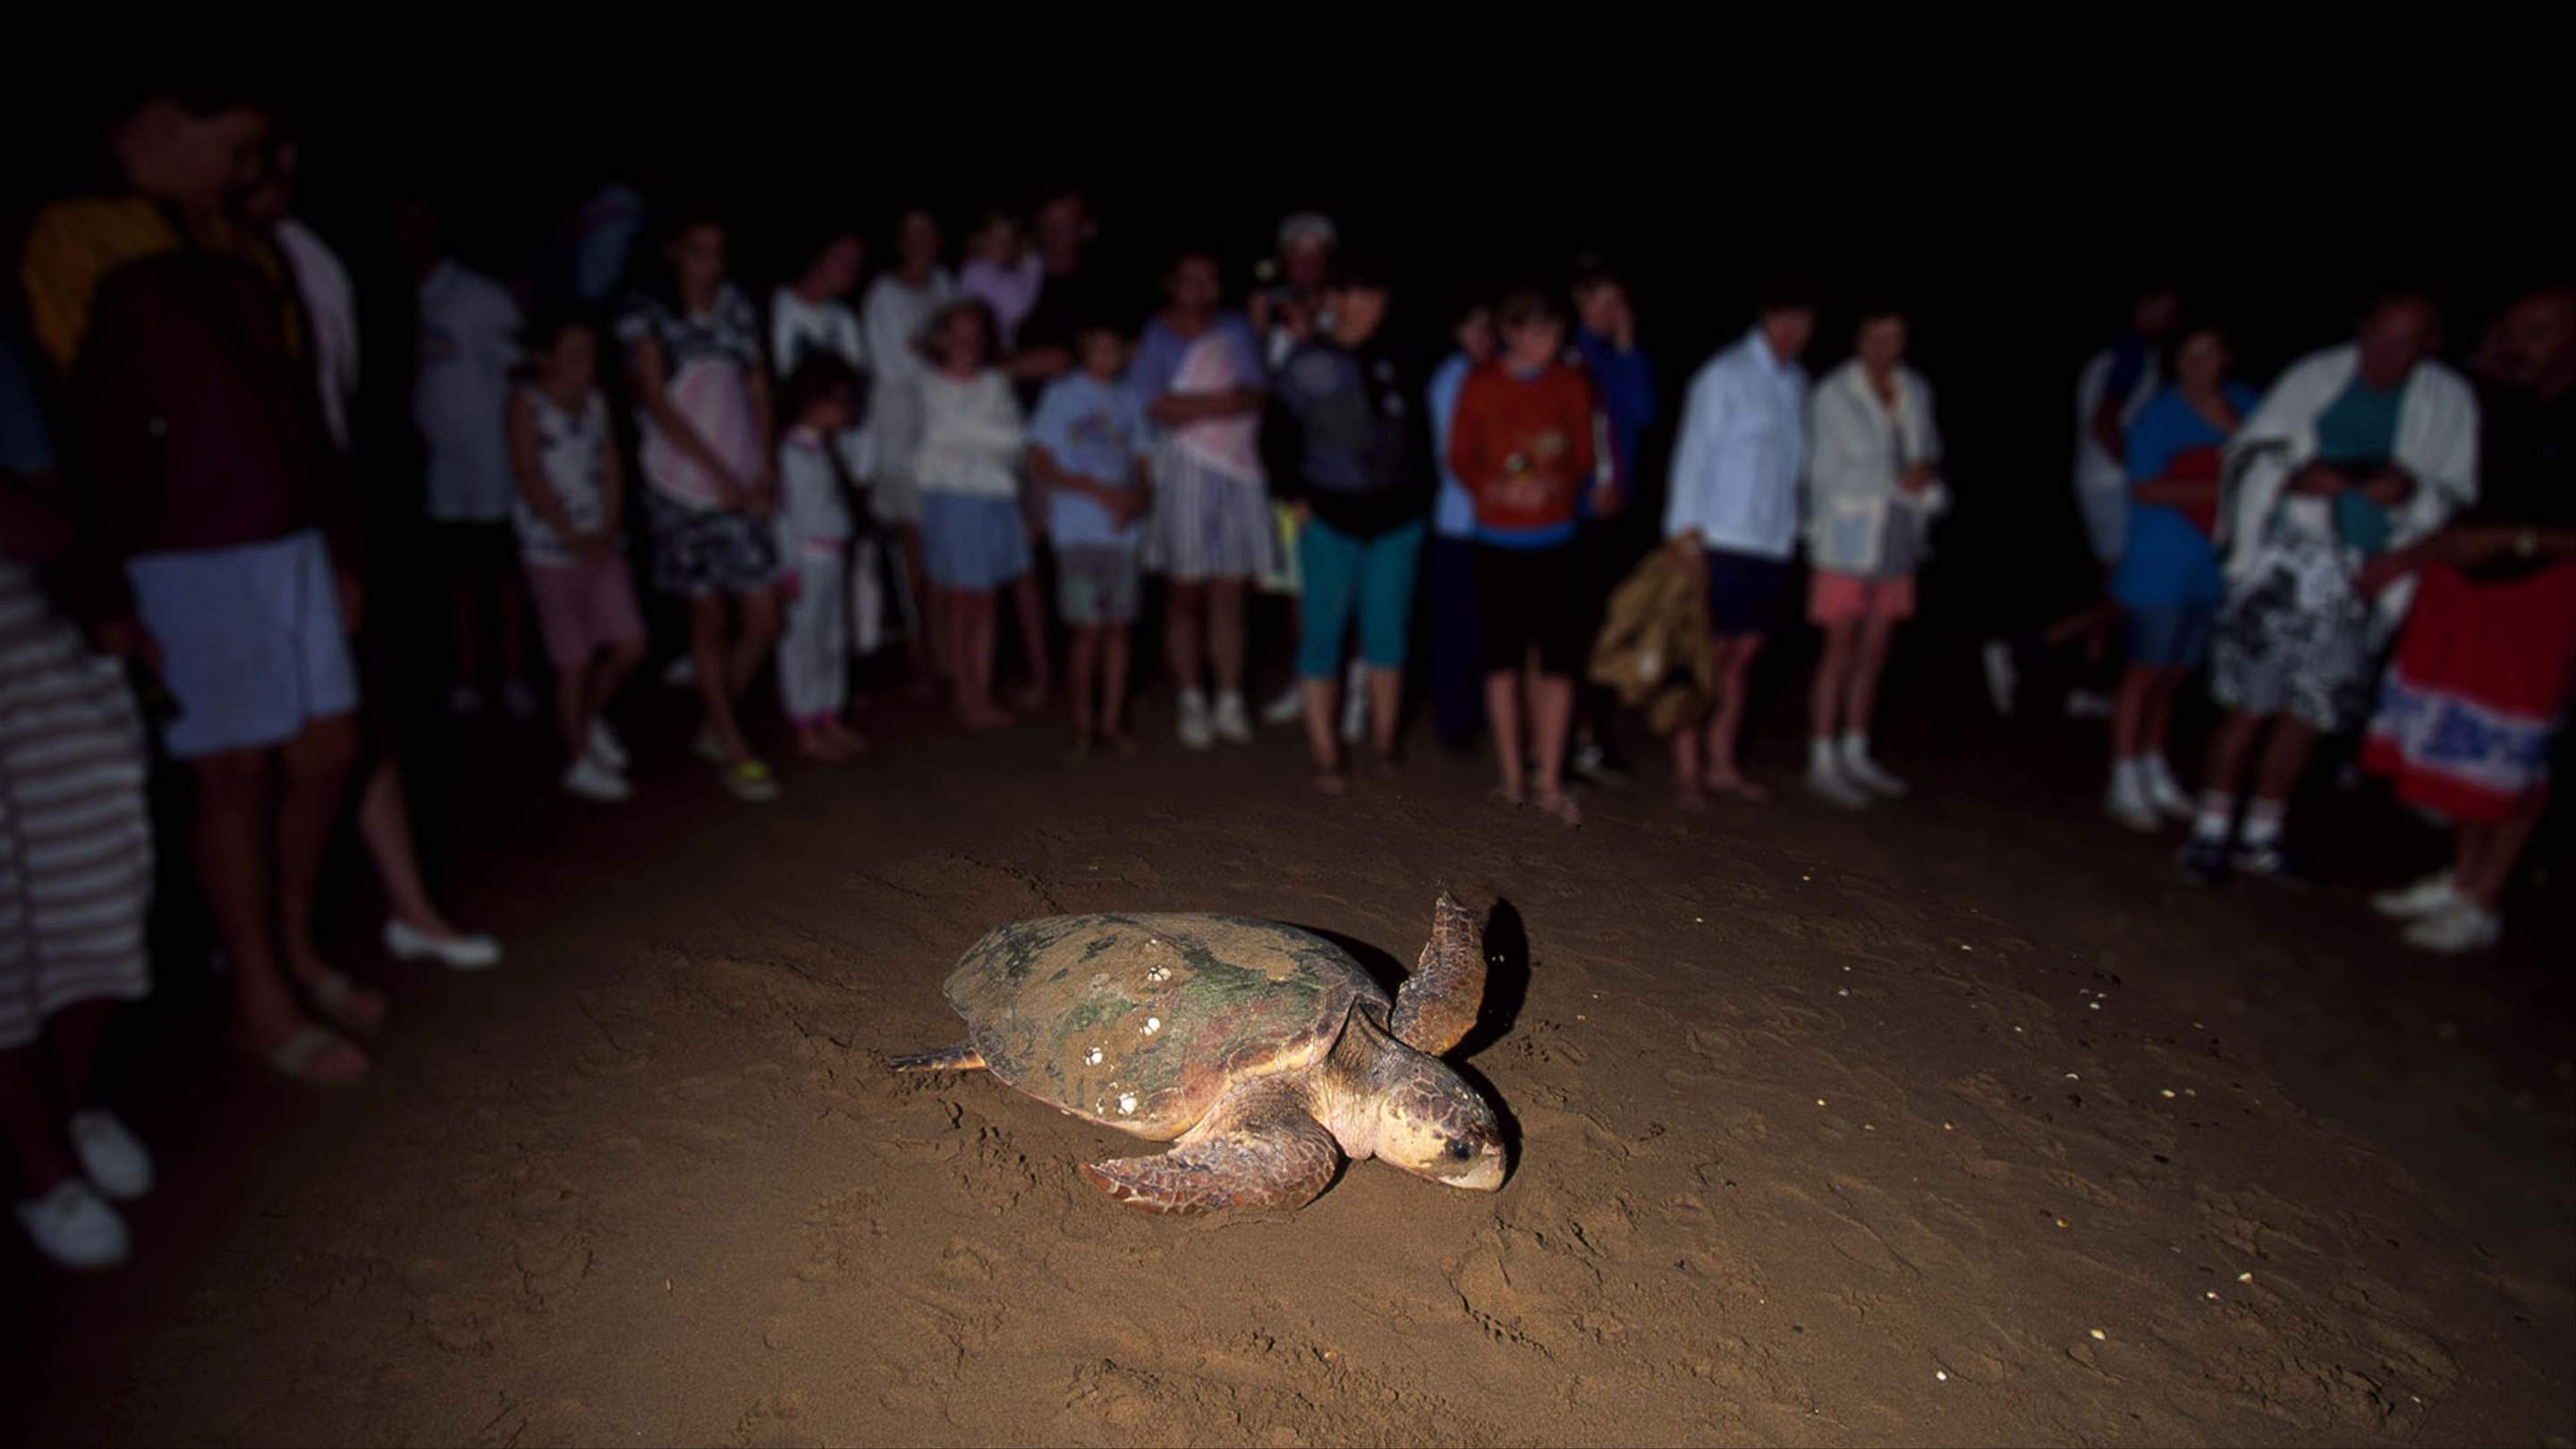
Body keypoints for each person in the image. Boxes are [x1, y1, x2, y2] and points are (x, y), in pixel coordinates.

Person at [24, 86, 374, 1085]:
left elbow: (303, 407)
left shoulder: (239, 241)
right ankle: (257, 1000)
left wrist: (340, 547)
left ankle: (296, 949)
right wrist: (101, 588)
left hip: (289, 540)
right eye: (237, 145)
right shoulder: (81, 237)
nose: (248, 168)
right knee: (232, 773)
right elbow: (79, 425)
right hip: (181, 551)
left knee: (326, 750)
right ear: (166, 122)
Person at [247, 150, 500, 975]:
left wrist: (343, 534)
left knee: (360, 721)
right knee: (261, 752)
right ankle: (272, 951)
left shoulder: (314, 257)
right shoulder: (197, 253)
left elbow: (336, 404)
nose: (278, 162)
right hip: (237, 536)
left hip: (322, 524)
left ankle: (407, 908)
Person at [2181, 294, 2479, 885]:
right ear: (2361, 326)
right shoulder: (2316, 375)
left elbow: (2455, 493)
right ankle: (2210, 830)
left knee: (2310, 712)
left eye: (2405, 340)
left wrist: (2411, 494)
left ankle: (2262, 835)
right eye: (2380, 334)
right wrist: (2296, 476)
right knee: (2251, 702)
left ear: (2430, 344)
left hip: (2371, 573)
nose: (2386, 353)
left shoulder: (2448, 401)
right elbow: (2248, 453)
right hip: (2287, 561)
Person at [2, 328, 157, 1270]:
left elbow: (50, 507)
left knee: (96, 877)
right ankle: (41, 1164)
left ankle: (75, 1098)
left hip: (27, 630)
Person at [2360, 285, 2576, 951]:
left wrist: (2516, 543)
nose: (2521, 345)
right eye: (2513, 330)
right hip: (2472, 586)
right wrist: (2416, 556)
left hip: (2544, 593)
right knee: (2463, 738)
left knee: (2515, 749)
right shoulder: (2507, 404)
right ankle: (2460, 878)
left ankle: (2484, 900)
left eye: (2539, 331)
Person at [617, 214, 783, 803]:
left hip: (741, 481)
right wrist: (717, 475)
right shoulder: (648, 312)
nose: (708, 264)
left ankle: (714, 723)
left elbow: (759, 387)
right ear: (674, 253)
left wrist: (765, 468)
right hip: (681, 486)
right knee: (708, 618)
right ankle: (733, 746)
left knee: (764, 617)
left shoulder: (737, 305)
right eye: (696, 252)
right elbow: (656, 401)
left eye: (717, 252)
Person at [1267, 254, 1429, 794]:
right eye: (1353, 296)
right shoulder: (1306, 363)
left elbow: (1424, 437)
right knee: (1322, 635)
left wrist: (1421, 498)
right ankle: (1325, 753)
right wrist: (1294, 496)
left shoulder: (1404, 355)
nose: (1365, 309)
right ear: (1332, 301)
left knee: (1387, 634)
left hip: (1397, 519)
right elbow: (1275, 436)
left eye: (1374, 297)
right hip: (1329, 517)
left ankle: (1385, 744)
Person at [1662, 283, 1817, 809]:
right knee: (1706, 655)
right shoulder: (1724, 374)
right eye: (1781, 315)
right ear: (1764, 316)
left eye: (1799, 317)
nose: (1789, 328)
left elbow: (1797, 469)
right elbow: (1693, 455)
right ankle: (1687, 770)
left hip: (1771, 542)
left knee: (1743, 659)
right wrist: (1685, 537)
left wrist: (1799, 532)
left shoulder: (1796, 381)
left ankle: (1722, 764)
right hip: (1720, 538)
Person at [1448, 289, 1597, 826]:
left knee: (1558, 662)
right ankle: (1511, 779)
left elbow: (1582, 456)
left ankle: (1551, 781)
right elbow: (1461, 457)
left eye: (1554, 333)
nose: (1548, 344)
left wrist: (1554, 483)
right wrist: (1492, 488)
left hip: (1556, 540)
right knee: (1502, 661)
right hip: (1497, 543)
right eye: (1535, 333)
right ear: (1509, 331)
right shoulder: (1481, 383)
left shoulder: (1570, 382)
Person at [2102, 322, 2256, 830]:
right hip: (2159, 560)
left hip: (2216, 563)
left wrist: (2229, 433)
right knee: (2144, 671)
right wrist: (2223, 491)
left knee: (2175, 675)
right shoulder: (2157, 415)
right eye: (2190, 353)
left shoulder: (2244, 402)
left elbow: (2267, 463)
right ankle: (2123, 777)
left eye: (2210, 352)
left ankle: (2154, 767)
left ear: (2226, 357)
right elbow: (2144, 489)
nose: (2200, 364)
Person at [1801, 306, 1945, 808]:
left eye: (1895, 338)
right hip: (1847, 536)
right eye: (1877, 338)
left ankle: (1856, 750)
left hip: (1901, 533)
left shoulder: (1916, 390)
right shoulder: (1833, 393)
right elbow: (1821, 476)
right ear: (1859, 340)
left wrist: (1925, 480)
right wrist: (1893, 480)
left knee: (1877, 648)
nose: (1886, 348)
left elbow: (1927, 456)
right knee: (1838, 648)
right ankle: (1822, 757)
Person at [398, 200, 535, 721]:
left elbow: (520, 366)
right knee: (457, 580)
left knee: (504, 577)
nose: (408, 237)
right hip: (442, 472)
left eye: (417, 225)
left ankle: (516, 676)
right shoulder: (408, 297)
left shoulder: (478, 296)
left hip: (492, 465)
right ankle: (467, 678)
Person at [1133, 250, 1273, 750]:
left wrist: (1193, 405)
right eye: (1187, 279)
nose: (1197, 289)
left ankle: (1229, 698)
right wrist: (1222, 402)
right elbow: (1156, 406)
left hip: (1237, 471)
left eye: (1206, 280)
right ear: (1172, 283)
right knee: (1186, 592)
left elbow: (1257, 394)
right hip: (1184, 474)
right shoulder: (1157, 334)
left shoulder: (1234, 329)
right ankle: (1192, 698)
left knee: (1230, 591)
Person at [510, 315, 647, 801]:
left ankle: (588, 719)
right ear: (542, 358)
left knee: (630, 644)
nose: (585, 365)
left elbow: (612, 468)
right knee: (574, 661)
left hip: (602, 544)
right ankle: (577, 759)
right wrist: (570, 536)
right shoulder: (527, 405)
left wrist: (606, 529)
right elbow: (529, 476)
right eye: (573, 355)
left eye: (590, 354)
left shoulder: (597, 403)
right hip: (550, 553)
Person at [1029, 320, 1155, 754]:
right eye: (1094, 347)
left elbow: (1143, 466)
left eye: (1112, 349)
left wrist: (1136, 501)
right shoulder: (1062, 394)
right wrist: (1098, 492)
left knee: (1119, 630)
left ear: (1127, 351)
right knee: (1087, 630)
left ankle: (1113, 720)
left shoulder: (1130, 399)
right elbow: (1041, 462)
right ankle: (1082, 724)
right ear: (1083, 349)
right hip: (1078, 532)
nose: (1103, 356)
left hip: (1122, 535)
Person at [914, 301, 1030, 729]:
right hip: (954, 498)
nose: (967, 344)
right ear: (941, 338)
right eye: (958, 334)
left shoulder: (996, 383)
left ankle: (981, 691)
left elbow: (1016, 440)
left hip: (994, 498)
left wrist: (974, 436)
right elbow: (948, 431)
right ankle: (967, 694)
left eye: (975, 335)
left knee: (987, 602)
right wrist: (988, 435)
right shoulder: (929, 384)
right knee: (963, 602)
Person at [1566, 263, 1657, 788]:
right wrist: (1583, 490)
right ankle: (1563, 743)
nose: (1611, 313)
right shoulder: (1567, 353)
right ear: (1580, 299)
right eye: (1602, 302)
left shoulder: (1616, 356)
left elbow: (1642, 413)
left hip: (1615, 515)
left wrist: (1628, 347)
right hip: (1572, 516)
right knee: (1570, 632)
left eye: (1619, 304)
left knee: (1609, 629)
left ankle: (1593, 738)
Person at [860, 208, 956, 690]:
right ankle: (924, 661)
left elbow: (959, 351)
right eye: (911, 232)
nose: (921, 240)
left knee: (945, 554)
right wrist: (937, 350)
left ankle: (948, 657)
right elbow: (896, 365)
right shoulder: (883, 292)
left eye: (928, 230)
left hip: (946, 437)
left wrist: (932, 348)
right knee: (915, 557)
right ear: (899, 239)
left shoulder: (944, 283)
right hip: (902, 442)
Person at [771, 353, 872, 762]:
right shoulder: (787, 454)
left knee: (833, 640)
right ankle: (805, 723)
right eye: (839, 402)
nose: (846, 412)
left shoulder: (824, 450)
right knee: (802, 644)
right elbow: (783, 518)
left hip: (833, 560)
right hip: (805, 565)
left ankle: (829, 716)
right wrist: (788, 569)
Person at [1425, 301, 1497, 753]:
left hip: (1503, 527)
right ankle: (1454, 723)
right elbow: (1457, 455)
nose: (1482, 336)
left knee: (1493, 629)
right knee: (1458, 628)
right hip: (1459, 524)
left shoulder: (1504, 374)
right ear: (1456, 332)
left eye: (1488, 326)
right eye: (1472, 326)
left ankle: (1489, 715)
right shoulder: (1451, 378)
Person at [959, 208, 1044, 355]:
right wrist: (1032, 261)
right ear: (980, 240)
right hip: (977, 351)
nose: (1002, 246)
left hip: (1000, 350)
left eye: (1008, 240)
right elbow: (1018, 309)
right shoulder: (975, 271)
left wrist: (1031, 261)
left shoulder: (1007, 273)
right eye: (994, 238)